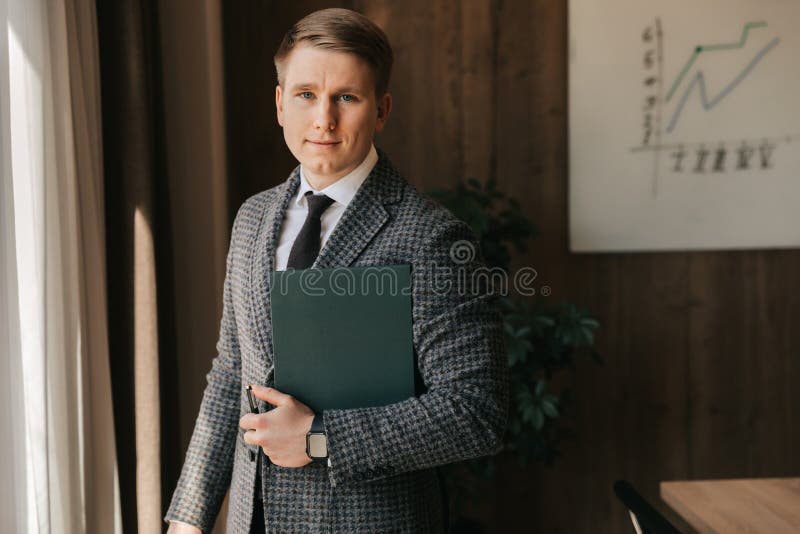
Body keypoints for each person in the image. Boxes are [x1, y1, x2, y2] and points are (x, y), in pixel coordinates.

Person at [164, 8, 508, 534]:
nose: (323, 119)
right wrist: (190, 517)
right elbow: (233, 372)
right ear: (280, 104)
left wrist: (319, 437)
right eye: (305, 95)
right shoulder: (252, 218)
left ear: (382, 110)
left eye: (346, 97)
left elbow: (475, 411)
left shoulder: (432, 236)